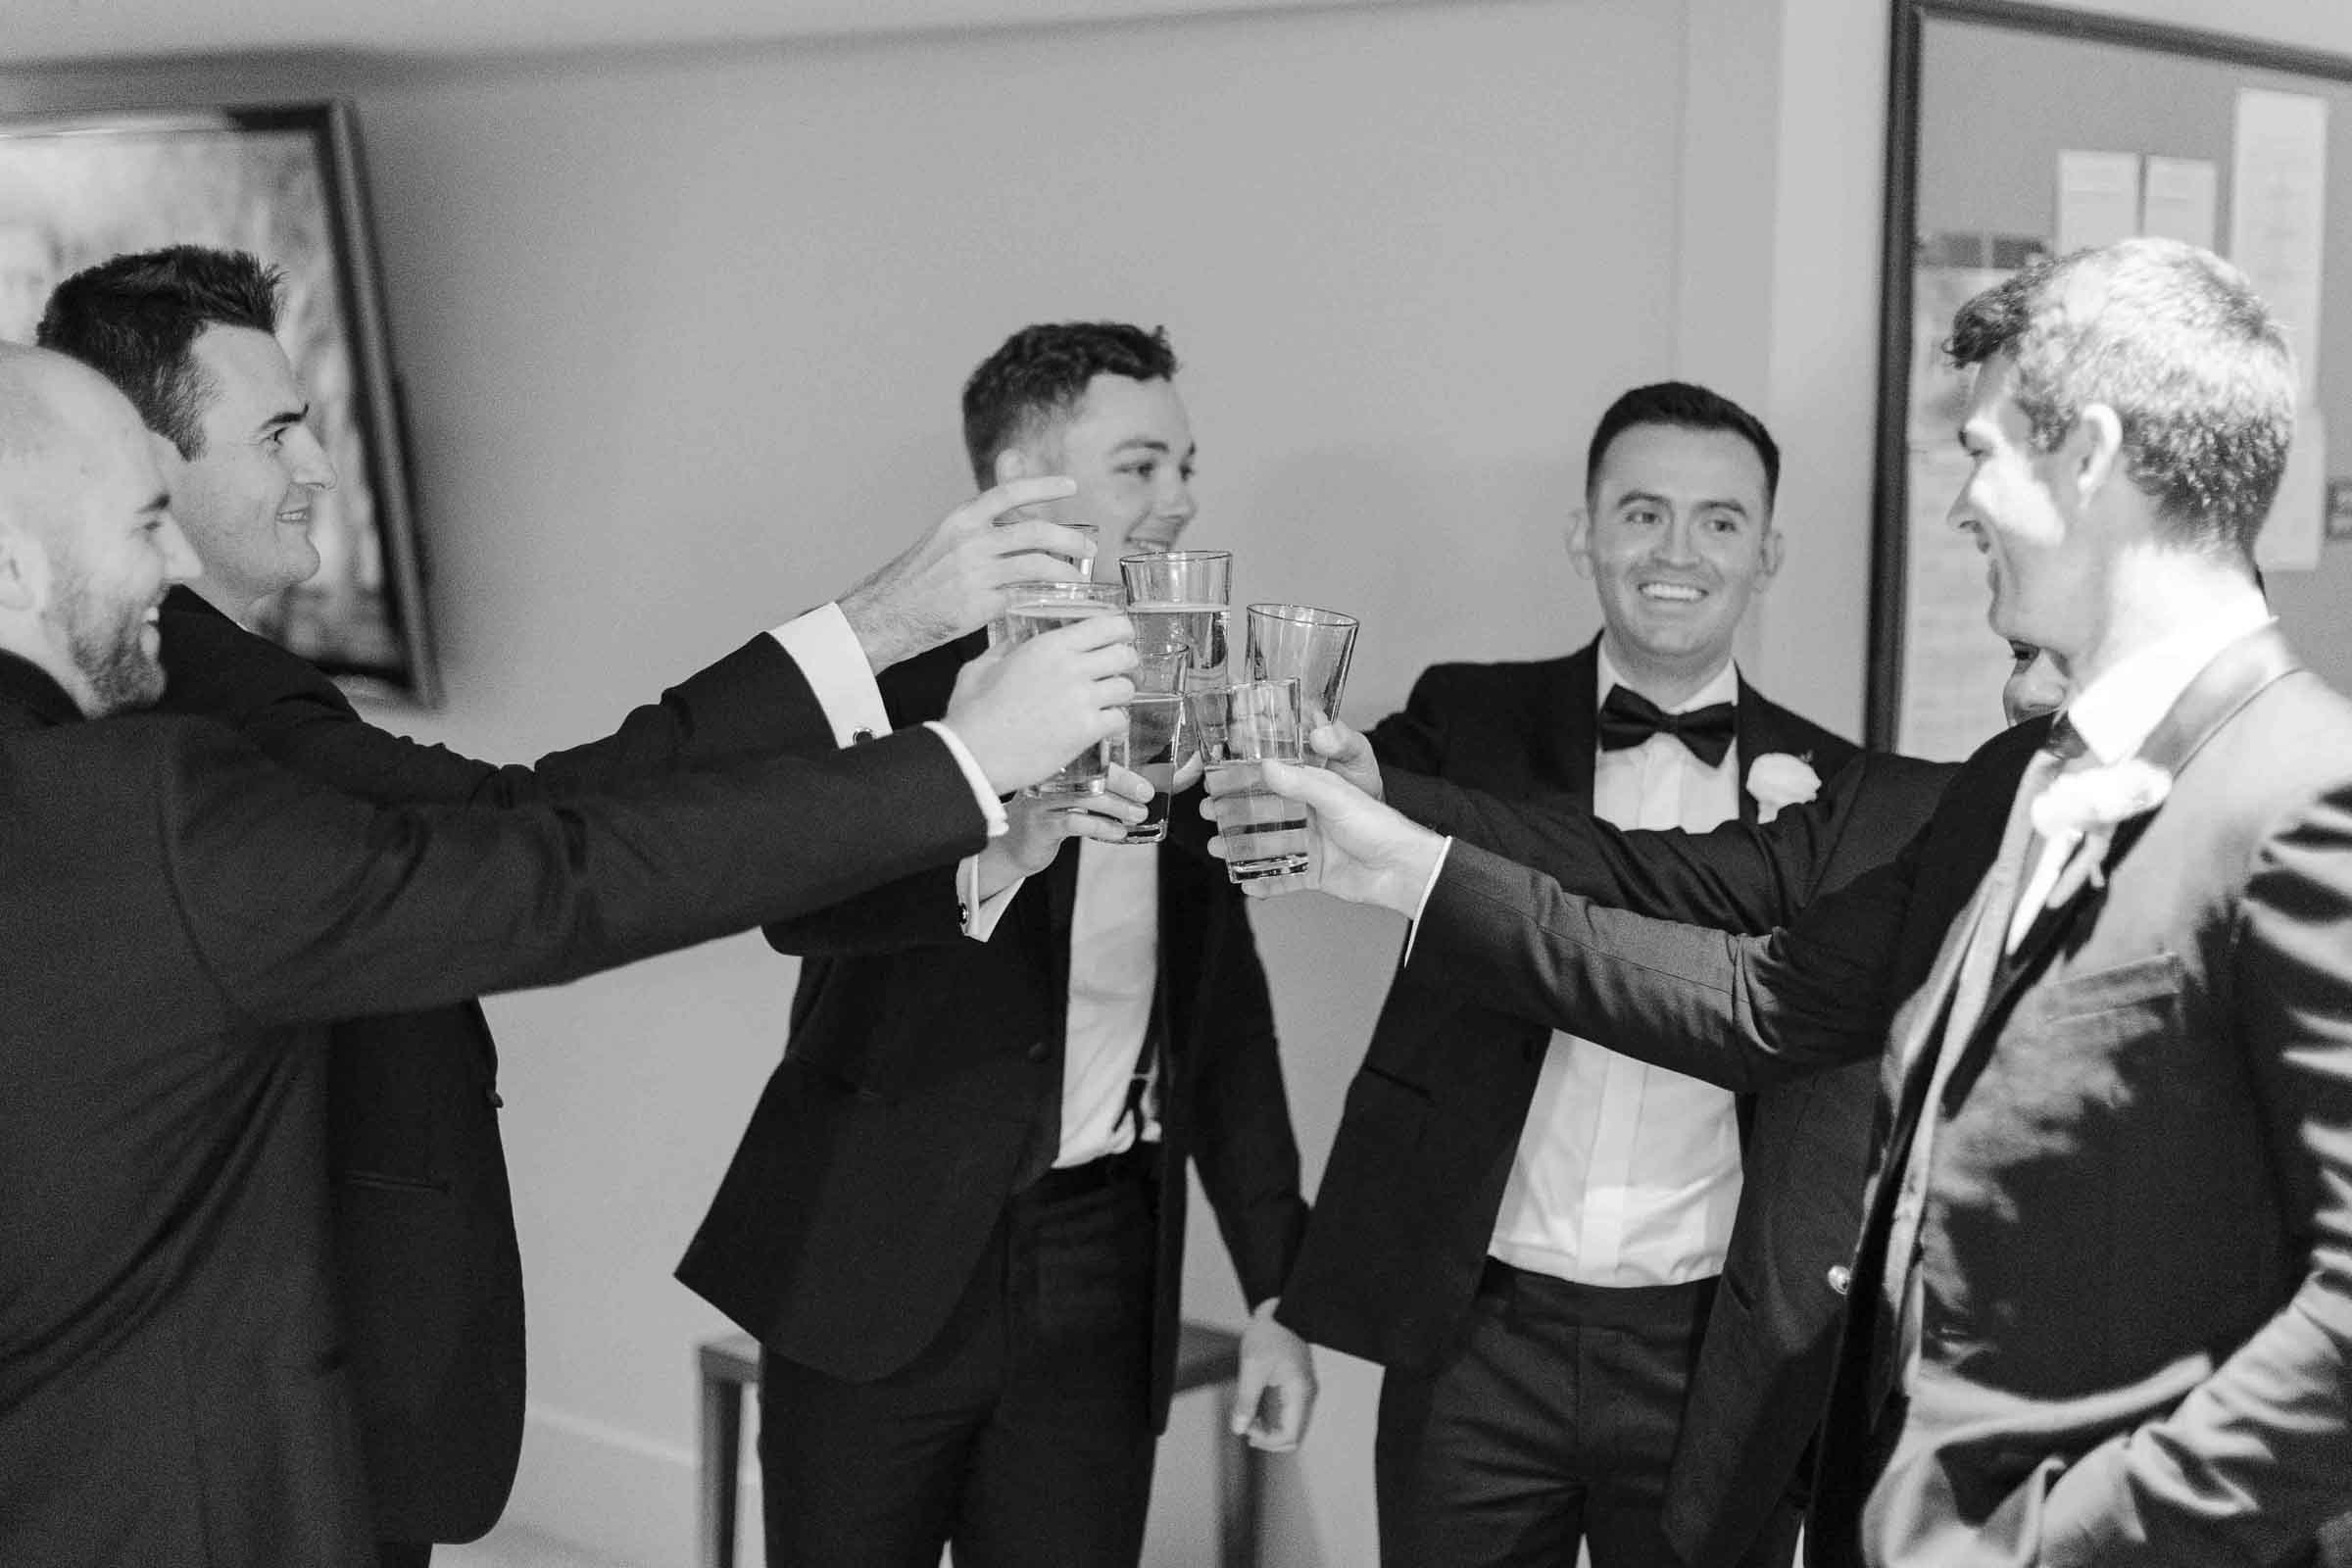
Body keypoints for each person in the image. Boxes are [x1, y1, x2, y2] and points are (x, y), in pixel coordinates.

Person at [1236, 238, 2352, 1566]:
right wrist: (1392, 857)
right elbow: (1761, 995)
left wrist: (2049, 1536)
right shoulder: (2016, 780)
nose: (1964, 506)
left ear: (2093, 458)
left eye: (1987, 454)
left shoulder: (2301, 792)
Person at [36, 245, 1105, 1566]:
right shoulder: (187, 732)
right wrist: (940, 727)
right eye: (279, 432)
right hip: (217, 1424)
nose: (319, 468)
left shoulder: (191, 708)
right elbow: (541, 844)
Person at [676, 320, 1314, 1567]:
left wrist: (1282, 1288)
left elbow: (1222, 1018)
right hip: (876, 1251)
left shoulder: (1199, 685)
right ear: (1026, 483)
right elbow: (798, 907)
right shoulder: (891, 675)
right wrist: (995, 845)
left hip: (1104, 1262)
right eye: (1141, 467)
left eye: (1186, 466)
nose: (1180, 500)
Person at [1277, 380, 1853, 1567]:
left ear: (1770, 551)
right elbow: (1311, 813)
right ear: (1584, 532)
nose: (1676, 552)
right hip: (1481, 1330)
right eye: (1641, 513)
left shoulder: (1841, 790)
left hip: (1714, 1350)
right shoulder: (1468, 716)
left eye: (1720, 521)